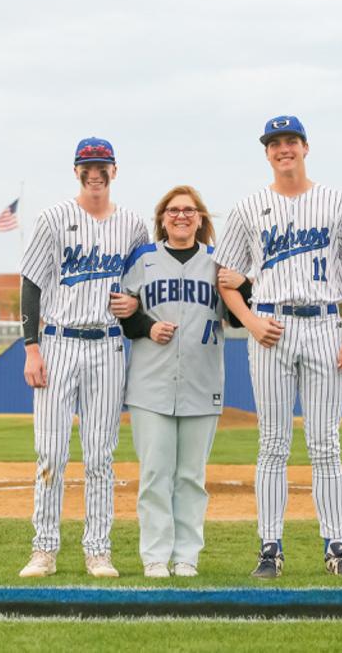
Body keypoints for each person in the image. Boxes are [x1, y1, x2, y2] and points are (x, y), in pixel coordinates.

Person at [214, 115, 342, 579]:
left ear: (305, 147)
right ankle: (270, 547)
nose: (283, 149)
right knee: (273, 444)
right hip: (271, 324)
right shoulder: (248, 207)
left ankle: (336, 547)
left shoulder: (338, 202)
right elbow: (225, 277)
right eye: (275, 143)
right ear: (267, 152)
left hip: (323, 323)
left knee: (325, 444)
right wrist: (248, 320)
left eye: (291, 141)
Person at [18, 137, 146, 578]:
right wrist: (31, 347)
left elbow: (139, 284)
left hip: (108, 343)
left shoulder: (132, 223)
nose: (95, 173)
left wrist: (134, 305)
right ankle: (44, 549)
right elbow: (32, 282)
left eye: (102, 165)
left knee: (100, 456)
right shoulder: (53, 217)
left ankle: (98, 549)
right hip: (58, 341)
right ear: (76, 171)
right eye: (87, 166)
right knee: (50, 451)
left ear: (115, 170)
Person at [119, 186, 248, 578]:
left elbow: (240, 317)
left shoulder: (217, 261)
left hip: (202, 380)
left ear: (201, 218)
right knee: (156, 474)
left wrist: (244, 284)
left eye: (189, 210)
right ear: (161, 217)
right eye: (173, 210)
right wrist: (146, 325)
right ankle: (155, 556)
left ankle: (186, 556)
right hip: (150, 383)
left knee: (191, 477)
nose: (181, 216)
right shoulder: (143, 259)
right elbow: (123, 310)